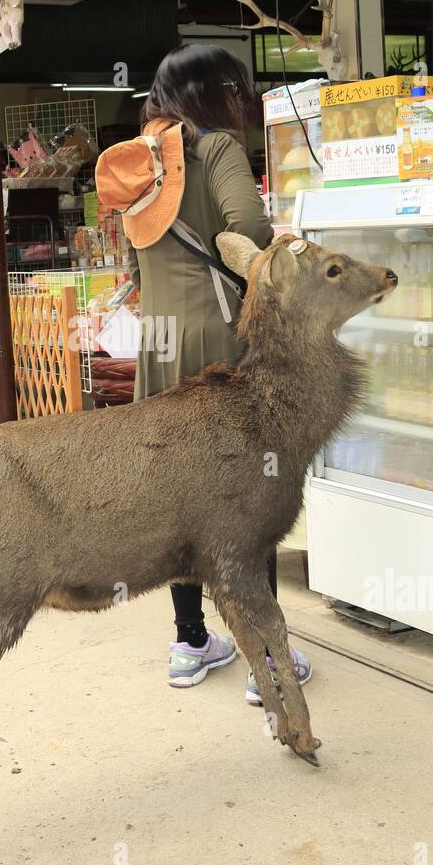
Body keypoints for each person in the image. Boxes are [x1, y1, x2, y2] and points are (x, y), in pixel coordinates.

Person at [123, 44, 312, 700]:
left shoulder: (133, 159)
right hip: (217, 336)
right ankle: (266, 655)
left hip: (159, 338)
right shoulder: (215, 151)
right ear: (217, 93)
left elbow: (135, 255)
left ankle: (189, 642)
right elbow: (249, 228)